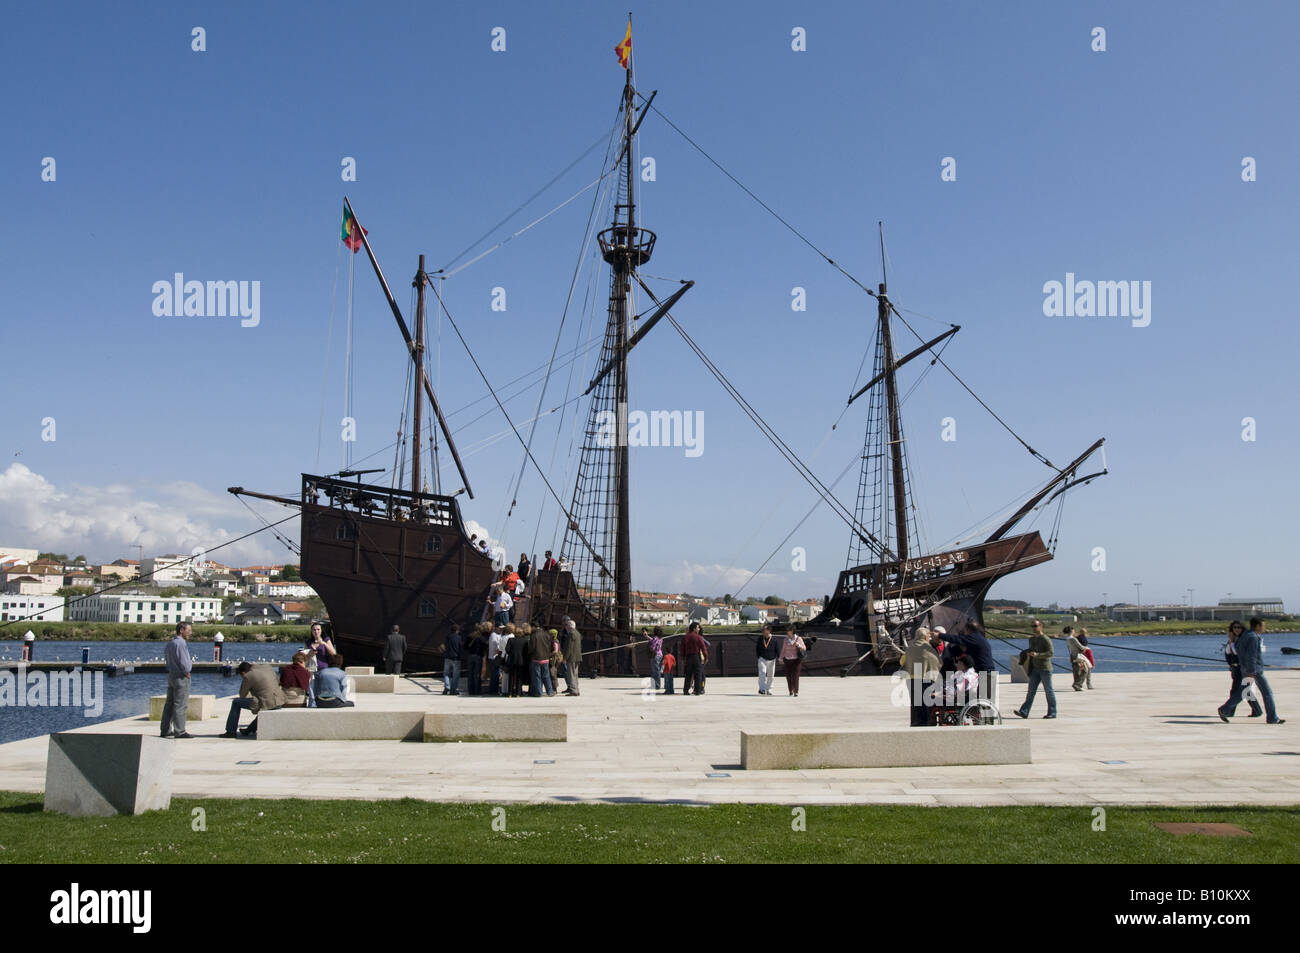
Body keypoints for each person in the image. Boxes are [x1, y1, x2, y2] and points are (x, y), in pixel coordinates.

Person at [1234, 617, 1284, 724]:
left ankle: (1225, 709)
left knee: (1244, 691)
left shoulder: (1244, 635)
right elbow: (1252, 656)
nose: (1264, 628)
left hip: (1245, 668)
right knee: (1267, 693)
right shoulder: (1253, 637)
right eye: (1263, 626)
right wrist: (1251, 671)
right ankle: (1272, 718)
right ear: (1257, 626)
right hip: (1255, 670)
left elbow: (1238, 648)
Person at [221, 661, 287, 737]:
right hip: (280, 700)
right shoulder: (267, 667)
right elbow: (278, 682)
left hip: (269, 703)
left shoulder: (248, 676)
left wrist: (250, 688)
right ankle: (249, 730)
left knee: (236, 702)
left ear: (243, 673)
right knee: (264, 702)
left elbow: (242, 694)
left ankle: (231, 732)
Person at [1218, 621, 1263, 720]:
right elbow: (1228, 654)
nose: (1236, 629)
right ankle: (1257, 710)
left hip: (1244, 669)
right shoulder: (1231, 642)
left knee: (1237, 690)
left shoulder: (1243, 640)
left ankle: (1229, 711)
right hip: (1236, 670)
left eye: (1238, 627)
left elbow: (1243, 653)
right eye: (1234, 628)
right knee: (1244, 690)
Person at [1014, 619, 1057, 719]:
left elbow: (1050, 653)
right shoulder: (1032, 639)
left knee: (1049, 691)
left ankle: (1052, 712)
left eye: (1035, 626)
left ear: (1041, 626)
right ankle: (1024, 711)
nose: (1033, 628)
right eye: (1032, 626)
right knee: (1031, 692)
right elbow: (1031, 649)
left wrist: (1037, 655)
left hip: (1045, 669)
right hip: (1035, 669)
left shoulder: (1045, 639)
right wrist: (1026, 653)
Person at [161, 621, 194, 738]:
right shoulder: (181, 644)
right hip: (181, 677)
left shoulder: (170, 643)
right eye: (188, 630)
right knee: (180, 704)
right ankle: (180, 731)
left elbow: (167, 659)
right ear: (181, 630)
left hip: (171, 675)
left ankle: (165, 729)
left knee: (169, 704)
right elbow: (185, 663)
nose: (190, 633)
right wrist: (187, 672)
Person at [902, 626, 940, 726]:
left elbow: (902, 661)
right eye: (928, 636)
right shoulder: (927, 648)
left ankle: (915, 722)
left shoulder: (910, 647)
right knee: (925, 702)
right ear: (925, 637)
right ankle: (925, 722)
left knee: (915, 703)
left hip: (911, 679)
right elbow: (938, 662)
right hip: (925, 679)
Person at [955, 620, 997, 703]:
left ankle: (989, 715)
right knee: (984, 697)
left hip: (986, 672)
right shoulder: (980, 641)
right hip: (984, 672)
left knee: (985, 699)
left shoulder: (975, 642)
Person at [680, 622, 708, 696]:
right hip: (696, 657)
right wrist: (705, 657)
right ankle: (697, 690)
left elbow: (682, 649)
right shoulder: (698, 637)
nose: (699, 629)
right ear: (694, 628)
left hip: (688, 657)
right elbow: (703, 648)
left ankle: (686, 690)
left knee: (688, 674)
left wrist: (683, 658)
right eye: (698, 627)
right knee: (698, 674)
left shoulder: (685, 637)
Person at [530, 624, 556, 697]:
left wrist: (530, 654)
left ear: (534, 627)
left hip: (536, 658)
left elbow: (531, 648)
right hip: (546, 658)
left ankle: (539, 692)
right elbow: (551, 646)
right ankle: (550, 691)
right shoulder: (547, 634)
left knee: (537, 676)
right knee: (546, 676)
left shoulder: (534, 636)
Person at [780, 625, 807, 697]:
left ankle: (796, 691)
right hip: (787, 659)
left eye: (788, 630)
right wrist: (780, 658)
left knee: (796, 676)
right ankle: (790, 690)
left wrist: (798, 645)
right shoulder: (786, 639)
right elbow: (783, 649)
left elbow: (804, 648)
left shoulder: (798, 638)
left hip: (797, 660)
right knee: (788, 676)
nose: (787, 632)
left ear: (792, 631)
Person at [506, 624, 530, 697]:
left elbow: (507, 650)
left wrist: (512, 654)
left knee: (511, 677)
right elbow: (526, 652)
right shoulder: (524, 641)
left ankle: (510, 693)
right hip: (520, 660)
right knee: (519, 677)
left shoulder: (510, 640)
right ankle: (518, 693)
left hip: (512, 660)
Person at [755, 624, 779, 695]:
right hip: (762, 659)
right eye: (762, 631)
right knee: (762, 673)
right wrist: (759, 657)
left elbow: (777, 649)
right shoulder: (760, 639)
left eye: (764, 630)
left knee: (771, 675)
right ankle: (762, 689)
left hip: (772, 660)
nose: (763, 632)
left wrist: (779, 657)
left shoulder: (774, 639)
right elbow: (757, 649)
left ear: (769, 631)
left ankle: (769, 689)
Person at [464, 623, 487, 695]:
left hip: (470, 656)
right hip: (478, 656)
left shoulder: (469, 636)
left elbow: (465, 647)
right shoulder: (481, 638)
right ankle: (477, 691)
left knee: (470, 674)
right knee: (477, 674)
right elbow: (485, 647)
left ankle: (471, 691)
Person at [561, 617, 582, 696]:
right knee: (575, 674)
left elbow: (569, 647)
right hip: (577, 657)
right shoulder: (577, 633)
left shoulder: (571, 634)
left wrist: (565, 658)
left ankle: (573, 691)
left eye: (566, 625)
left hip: (571, 657)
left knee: (571, 674)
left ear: (569, 626)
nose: (565, 627)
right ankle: (576, 689)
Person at [1065, 626, 1088, 692]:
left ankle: (1077, 686)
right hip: (1078, 656)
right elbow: (1081, 647)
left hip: (1072, 656)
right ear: (1071, 631)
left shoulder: (1067, 639)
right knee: (1085, 670)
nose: (1074, 632)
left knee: (1076, 671)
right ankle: (1078, 684)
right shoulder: (1073, 639)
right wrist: (1086, 648)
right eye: (1074, 630)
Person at [488, 624, 509, 695]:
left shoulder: (498, 635)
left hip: (495, 657)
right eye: (500, 628)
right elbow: (496, 648)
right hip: (494, 658)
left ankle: (494, 690)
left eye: (502, 628)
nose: (501, 629)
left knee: (496, 675)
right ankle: (493, 691)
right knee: (495, 675)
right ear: (496, 628)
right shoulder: (494, 635)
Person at [443, 627, 463, 695]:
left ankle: (447, 686)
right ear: (457, 630)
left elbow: (445, 646)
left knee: (446, 674)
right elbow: (460, 648)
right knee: (455, 675)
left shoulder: (447, 637)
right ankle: (453, 690)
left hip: (448, 657)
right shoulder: (459, 638)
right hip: (456, 658)